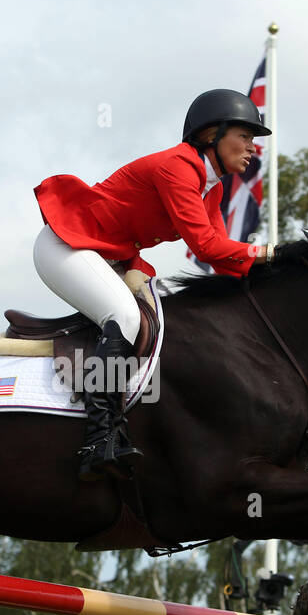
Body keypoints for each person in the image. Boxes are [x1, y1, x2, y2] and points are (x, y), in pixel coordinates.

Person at [32, 89, 275, 481]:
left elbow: (220, 258)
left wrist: (266, 286)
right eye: (245, 137)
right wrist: (274, 253)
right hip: (66, 245)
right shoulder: (178, 168)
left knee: (156, 319)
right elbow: (207, 244)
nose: (252, 149)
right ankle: (98, 437)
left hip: (105, 256)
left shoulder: (208, 187)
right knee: (125, 316)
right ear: (213, 133)